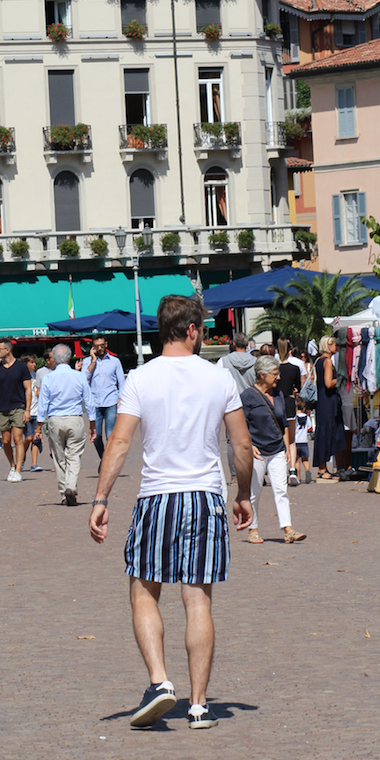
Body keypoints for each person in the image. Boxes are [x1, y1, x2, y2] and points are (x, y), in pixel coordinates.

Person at [89, 294, 254, 731]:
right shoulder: (218, 378)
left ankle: (160, 681)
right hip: (203, 496)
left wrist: (101, 498)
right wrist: (244, 493)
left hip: (157, 497)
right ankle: (199, 706)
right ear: (193, 330)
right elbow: (240, 445)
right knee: (197, 599)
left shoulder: (140, 378)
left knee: (145, 590)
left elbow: (120, 443)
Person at [240, 355, 306, 546]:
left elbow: (283, 422)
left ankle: (288, 529)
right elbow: (241, 425)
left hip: (277, 449)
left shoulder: (278, 394)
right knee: (254, 492)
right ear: (262, 375)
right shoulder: (247, 396)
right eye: (274, 374)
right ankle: (253, 529)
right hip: (257, 451)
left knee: (281, 490)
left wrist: (286, 446)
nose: (278, 378)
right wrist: (249, 446)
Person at [35, 344, 96, 506]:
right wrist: (92, 423)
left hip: (55, 419)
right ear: (69, 358)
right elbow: (89, 402)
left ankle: (64, 493)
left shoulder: (49, 378)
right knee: (74, 455)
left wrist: (39, 427)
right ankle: (71, 486)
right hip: (74, 418)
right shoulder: (79, 376)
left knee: (59, 457)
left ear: (54, 359)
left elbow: (43, 404)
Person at [0, 339, 32, 482]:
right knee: (5, 441)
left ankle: (18, 470)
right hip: (2, 408)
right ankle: (12, 465)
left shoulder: (21, 367)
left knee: (18, 439)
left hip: (18, 406)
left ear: (8, 350)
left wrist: (27, 409)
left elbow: (28, 389)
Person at [83, 336, 125, 463]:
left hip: (111, 401)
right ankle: (104, 458)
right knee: (96, 436)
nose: (99, 348)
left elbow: (121, 381)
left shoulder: (115, 361)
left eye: (101, 345)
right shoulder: (87, 362)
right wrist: (93, 361)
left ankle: (107, 461)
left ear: (106, 344)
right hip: (94, 403)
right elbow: (84, 379)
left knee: (110, 434)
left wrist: (120, 399)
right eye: (96, 346)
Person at [314, 336, 343, 481]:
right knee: (325, 432)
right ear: (328, 345)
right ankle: (322, 469)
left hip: (322, 400)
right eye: (335, 344)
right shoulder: (327, 361)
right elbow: (328, 383)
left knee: (324, 432)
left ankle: (323, 467)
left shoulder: (319, 360)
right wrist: (341, 380)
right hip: (327, 400)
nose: (336, 347)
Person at [277, 339, 301, 487]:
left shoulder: (274, 369)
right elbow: (297, 388)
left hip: (276, 403)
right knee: (292, 439)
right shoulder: (294, 368)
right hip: (290, 402)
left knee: (279, 438)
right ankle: (292, 470)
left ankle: (280, 471)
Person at [22, 356, 44, 471]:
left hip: (37, 411)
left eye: (35, 362)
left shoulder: (36, 376)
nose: (34, 364)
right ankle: (21, 457)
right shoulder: (21, 376)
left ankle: (34, 464)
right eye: (31, 362)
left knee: (36, 438)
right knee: (28, 437)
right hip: (26, 411)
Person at [294, 397, 313, 484]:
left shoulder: (294, 418)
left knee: (296, 461)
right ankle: (308, 471)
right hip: (304, 442)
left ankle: (298, 477)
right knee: (305, 460)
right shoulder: (306, 417)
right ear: (304, 408)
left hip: (296, 442)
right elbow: (309, 427)